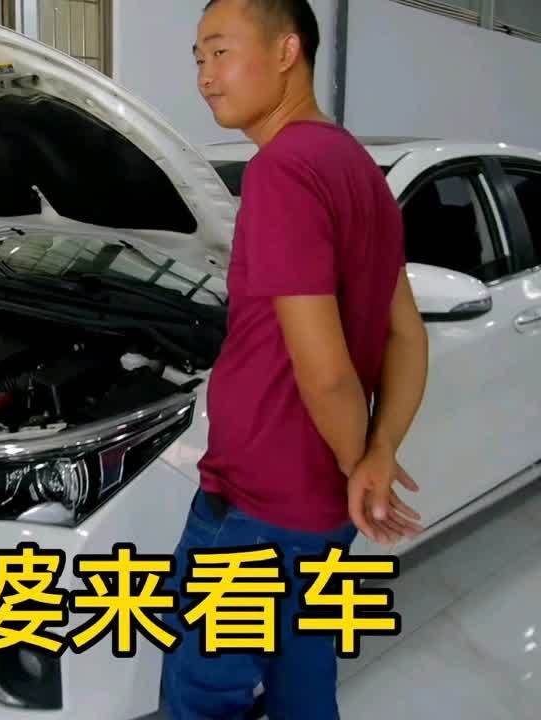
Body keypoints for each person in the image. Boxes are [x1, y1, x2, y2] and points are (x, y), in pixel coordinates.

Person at [161, 0, 430, 717]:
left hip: (260, 506)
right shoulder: (357, 168)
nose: (205, 77)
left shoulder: (282, 169)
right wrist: (375, 454)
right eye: (199, 58)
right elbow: (407, 335)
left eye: (221, 52)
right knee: (303, 682)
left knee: (201, 693)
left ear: (287, 52)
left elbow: (328, 370)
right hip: (321, 510)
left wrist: (358, 463)